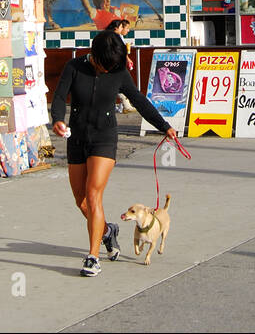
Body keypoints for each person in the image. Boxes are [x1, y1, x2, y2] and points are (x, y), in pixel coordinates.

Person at [51, 30, 178, 277]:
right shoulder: (74, 66)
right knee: (82, 202)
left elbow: (139, 101)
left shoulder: (119, 71)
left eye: (112, 65)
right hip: (77, 139)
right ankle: (108, 232)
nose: (108, 70)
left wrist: (164, 126)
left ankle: (92, 257)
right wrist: (57, 119)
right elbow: (58, 97)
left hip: (104, 139)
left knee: (93, 193)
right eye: (104, 64)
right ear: (94, 55)